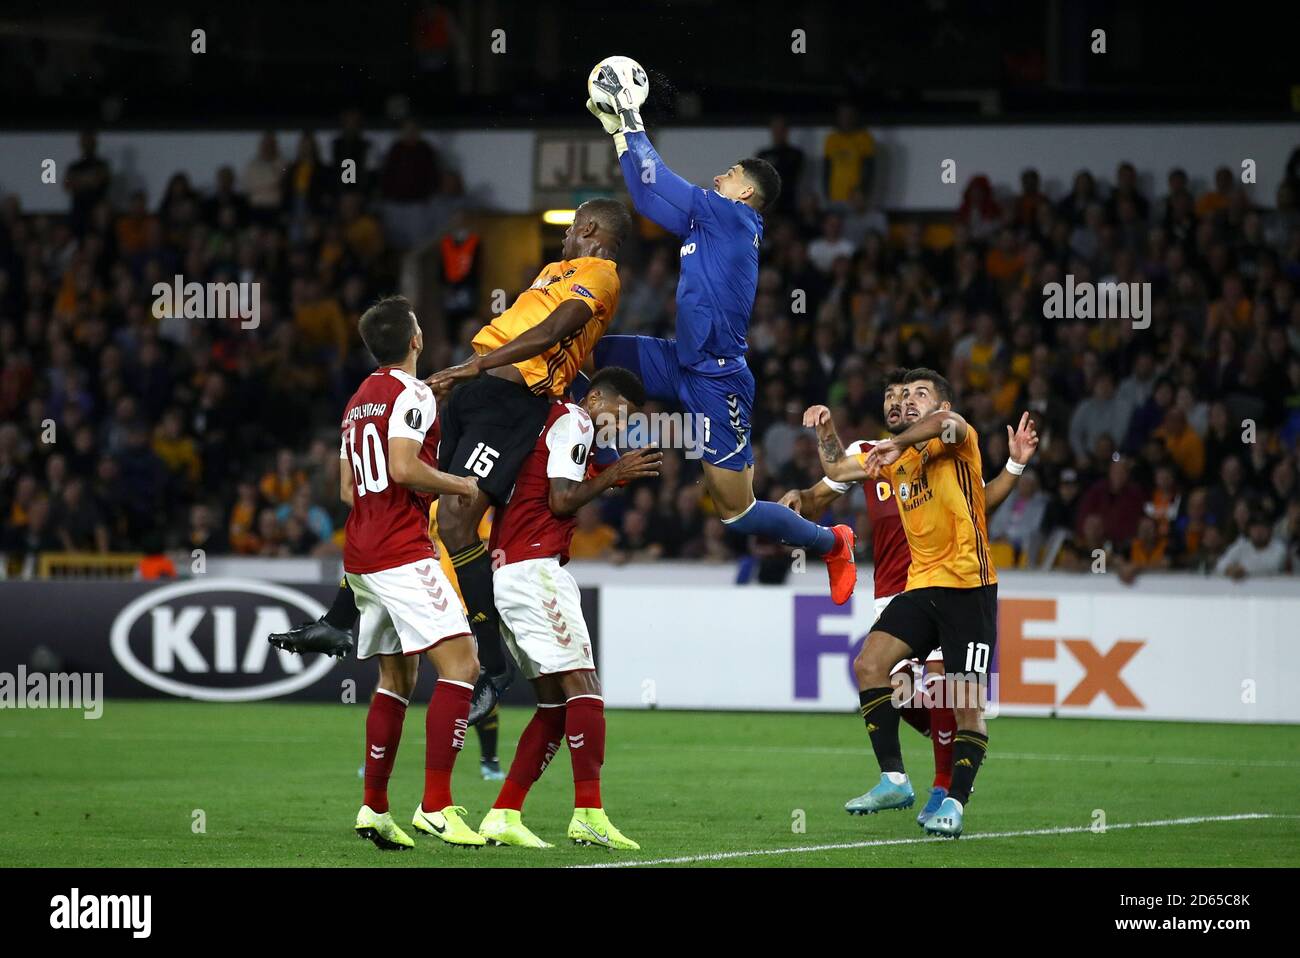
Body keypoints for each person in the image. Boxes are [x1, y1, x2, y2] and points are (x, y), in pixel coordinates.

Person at [272, 199, 633, 726]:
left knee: (459, 519)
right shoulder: (554, 272)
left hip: (512, 403)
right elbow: (550, 340)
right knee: (413, 498)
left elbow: (554, 332)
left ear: (590, 227)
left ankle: (492, 665)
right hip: (477, 395)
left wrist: (475, 367)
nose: (563, 237)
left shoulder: (600, 274)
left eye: (571, 227)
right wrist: (467, 374)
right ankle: (340, 616)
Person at [584, 73, 857, 609]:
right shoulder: (708, 223)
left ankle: (833, 544)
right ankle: (598, 454)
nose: (717, 177)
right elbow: (645, 196)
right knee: (586, 351)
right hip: (679, 359)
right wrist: (617, 133)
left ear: (746, 192)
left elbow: (658, 179)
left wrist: (632, 120)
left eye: (729, 175)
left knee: (736, 511)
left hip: (717, 379)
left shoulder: (731, 216)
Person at [784, 369, 1037, 825]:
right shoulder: (890, 458)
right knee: (870, 665)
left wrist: (1012, 466)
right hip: (917, 587)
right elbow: (837, 470)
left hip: (968, 588)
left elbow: (946, 426)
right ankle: (894, 780)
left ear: (941, 406)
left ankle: (952, 800)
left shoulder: (957, 438)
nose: (906, 401)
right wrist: (826, 429)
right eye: (899, 395)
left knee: (962, 702)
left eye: (920, 394)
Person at [478, 367, 661, 849]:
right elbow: (560, 501)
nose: (620, 426)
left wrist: (608, 475)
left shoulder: (552, 425)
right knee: (586, 689)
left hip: (511, 572)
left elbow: (552, 489)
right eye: (620, 414)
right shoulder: (575, 420)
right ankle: (588, 814)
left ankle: (503, 813)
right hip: (534, 570)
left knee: (555, 707)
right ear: (596, 397)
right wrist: (613, 474)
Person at [334, 295, 484, 850]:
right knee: (463, 664)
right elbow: (402, 467)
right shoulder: (413, 392)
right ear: (416, 340)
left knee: (396, 680)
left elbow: (347, 490)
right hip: (401, 552)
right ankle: (436, 806)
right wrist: (460, 483)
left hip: (361, 556)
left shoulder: (357, 401)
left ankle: (374, 808)